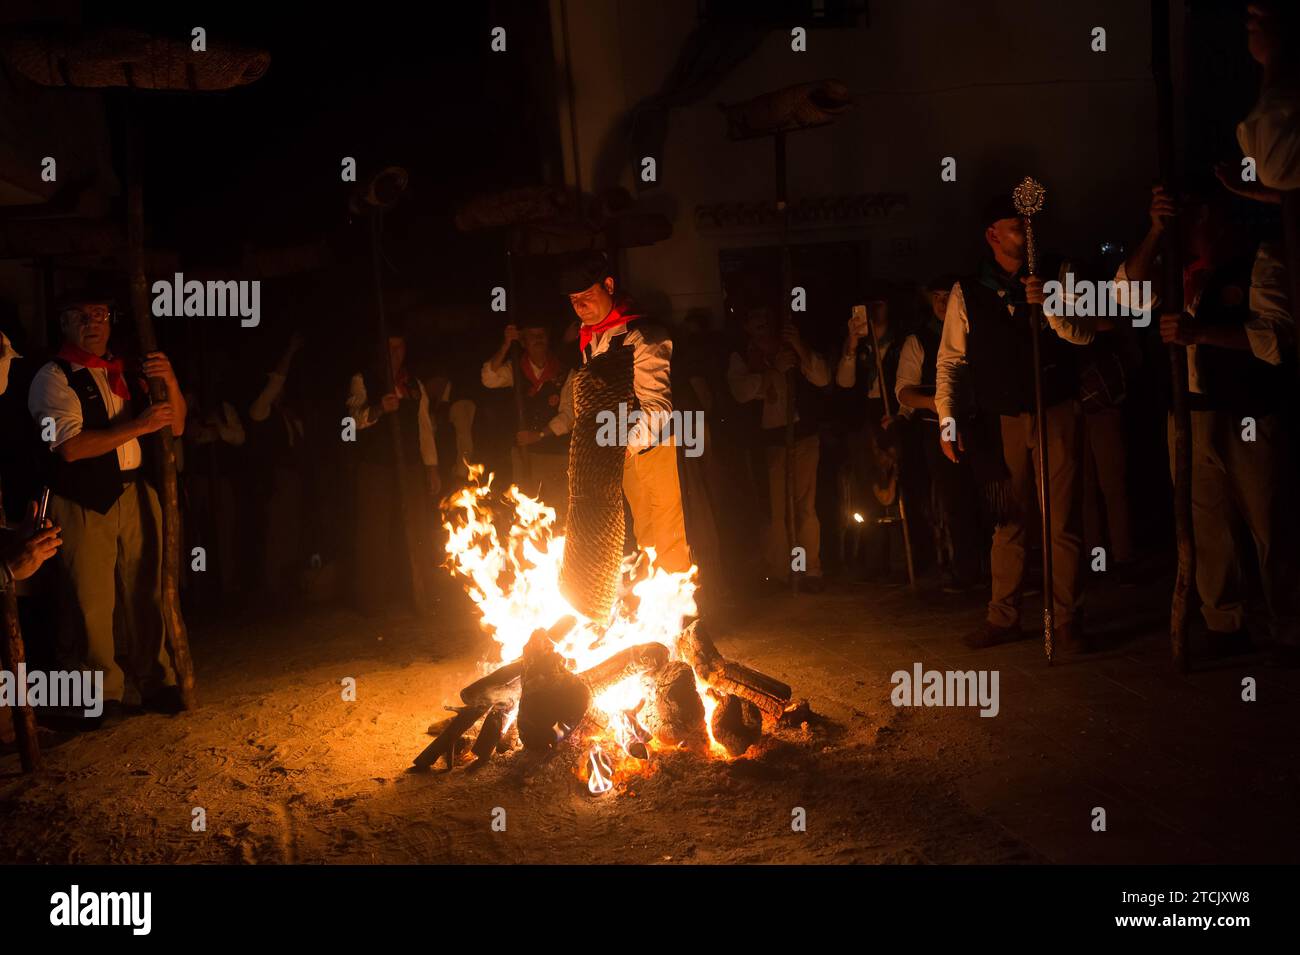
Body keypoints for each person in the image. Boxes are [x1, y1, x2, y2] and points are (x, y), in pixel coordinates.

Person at [1122, 186, 1298, 662]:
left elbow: (1278, 337)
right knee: (1205, 524)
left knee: (1269, 519)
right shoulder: (1173, 271)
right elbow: (1126, 294)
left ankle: (1289, 622)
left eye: (1195, 216)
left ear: (1215, 220)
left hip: (1247, 411)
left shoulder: (1261, 260)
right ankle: (1225, 621)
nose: (1188, 227)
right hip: (1190, 415)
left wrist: (1202, 333)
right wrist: (1154, 232)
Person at [936, 195, 1103, 653]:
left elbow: (1084, 333)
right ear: (993, 235)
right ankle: (1003, 616)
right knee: (1008, 519)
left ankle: (1066, 620)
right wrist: (947, 420)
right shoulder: (968, 289)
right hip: (1003, 417)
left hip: (1055, 408)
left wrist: (1049, 304)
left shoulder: (1060, 272)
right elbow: (951, 360)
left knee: (1061, 519)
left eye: (1030, 224)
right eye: (1016, 226)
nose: (1028, 233)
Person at [27, 294, 185, 725]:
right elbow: (70, 447)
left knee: (146, 591)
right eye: (81, 316)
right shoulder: (52, 377)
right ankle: (99, 695)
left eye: (99, 315)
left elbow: (176, 423)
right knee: (91, 602)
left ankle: (156, 681)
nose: (93, 323)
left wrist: (169, 381)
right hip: (83, 499)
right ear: (64, 323)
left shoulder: (125, 371)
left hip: (135, 491)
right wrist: (140, 424)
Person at [562, 253, 691, 574]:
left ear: (608, 286)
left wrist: (621, 448)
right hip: (623, 448)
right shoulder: (590, 338)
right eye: (574, 300)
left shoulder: (642, 336)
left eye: (587, 295)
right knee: (645, 530)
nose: (580, 306)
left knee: (671, 533)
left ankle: (681, 599)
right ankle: (654, 597)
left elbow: (658, 409)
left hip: (661, 444)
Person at [727, 306, 830, 592]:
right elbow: (741, 392)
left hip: (803, 437)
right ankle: (781, 572)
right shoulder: (743, 356)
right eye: (753, 319)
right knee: (775, 512)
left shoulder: (792, 347)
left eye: (764, 318)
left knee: (804, 507)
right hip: (770, 443)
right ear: (746, 326)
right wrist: (772, 372)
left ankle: (809, 570)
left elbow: (822, 377)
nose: (760, 323)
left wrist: (798, 348)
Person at [896, 275, 985, 591]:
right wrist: (936, 403)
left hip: (979, 423)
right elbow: (904, 392)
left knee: (988, 496)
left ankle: (998, 568)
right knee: (955, 499)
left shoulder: (975, 330)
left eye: (948, 295)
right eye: (937, 296)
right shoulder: (918, 340)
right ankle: (967, 570)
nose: (943, 302)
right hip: (939, 429)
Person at [346, 324, 439, 615]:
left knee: (417, 529)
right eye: (390, 348)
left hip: (410, 466)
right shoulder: (363, 380)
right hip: (376, 466)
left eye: (399, 347)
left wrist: (431, 467)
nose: (395, 354)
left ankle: (421, 595)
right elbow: (351, 422)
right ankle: (372, 601)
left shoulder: (413, 385)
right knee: (374, 532)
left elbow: (424, 428)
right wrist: (378, 410)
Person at [481, 316, 574, 525]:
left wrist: (540, 435)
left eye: (541, 335)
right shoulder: (516, 369)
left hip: (556, 454)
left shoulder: (565, 371)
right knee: (527, 515)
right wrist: (506, 345)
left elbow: (569, 414)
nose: (538, 339)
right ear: (523, 342)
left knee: (559, 512)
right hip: (523, 454)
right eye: (532, 336)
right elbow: (489, 378)